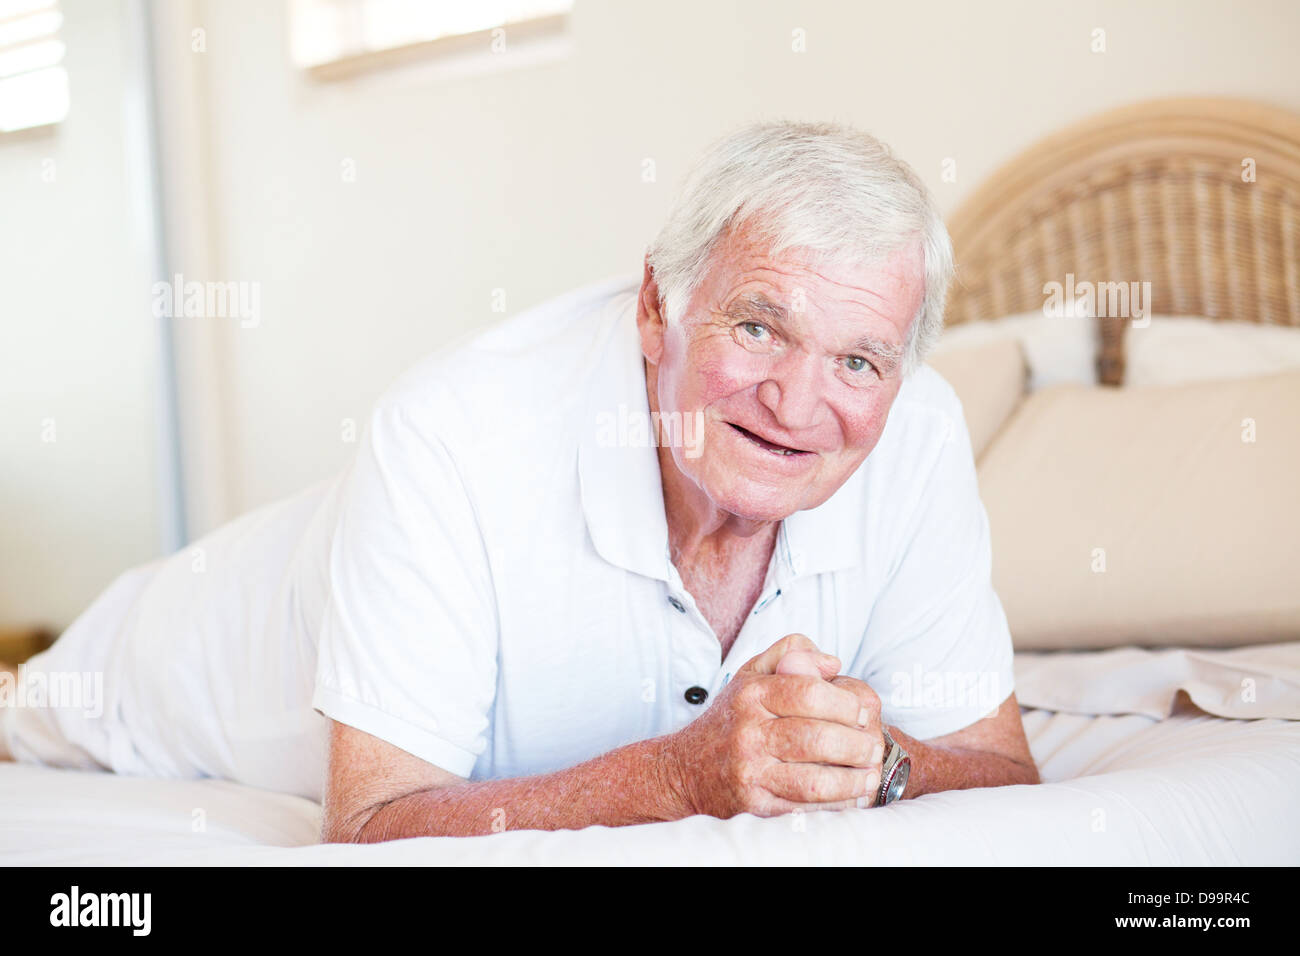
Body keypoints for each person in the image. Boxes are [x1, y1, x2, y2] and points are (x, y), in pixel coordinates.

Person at [1, 121, 1039, 839]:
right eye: (759, 325)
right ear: (654, 307)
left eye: (858, 359)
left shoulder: (921, 436)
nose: (798, 400)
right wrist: (684, 775)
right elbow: (369, 823)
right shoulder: (451, 433)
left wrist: (880, 764)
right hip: (158, 670)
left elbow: (999, 767)